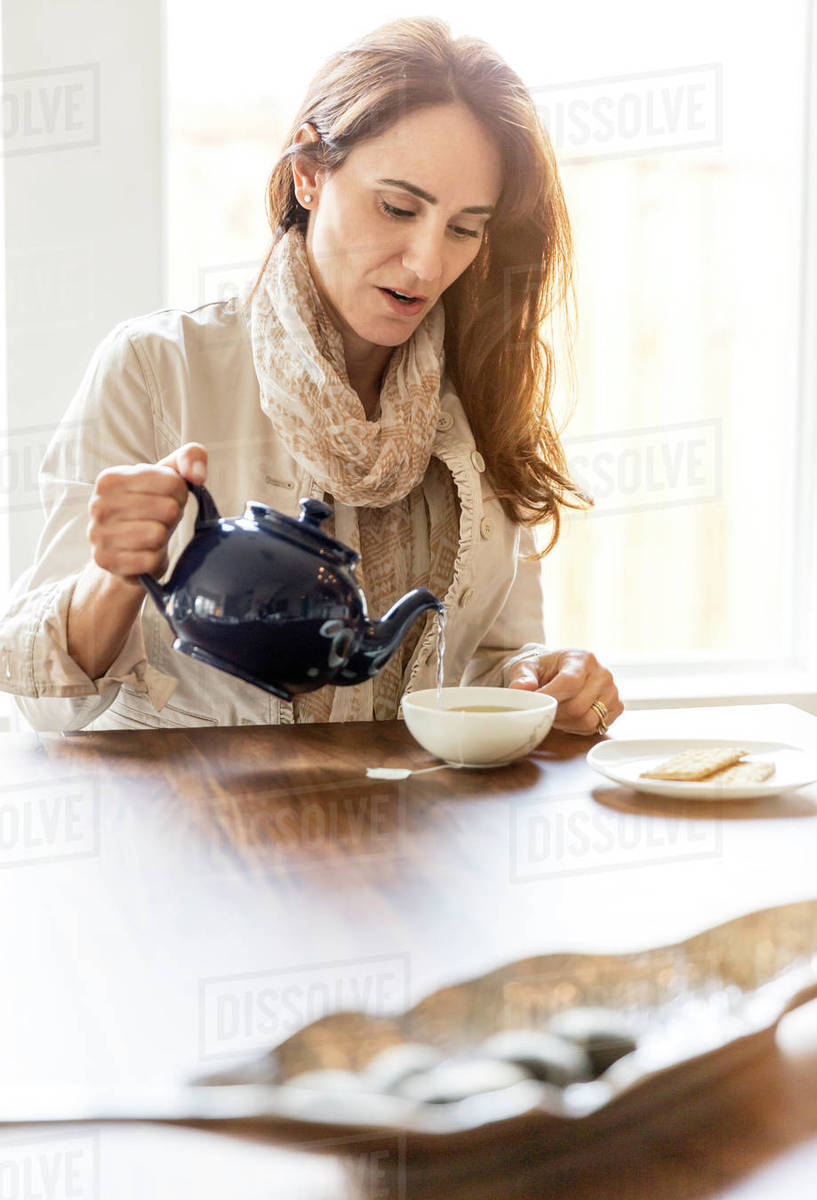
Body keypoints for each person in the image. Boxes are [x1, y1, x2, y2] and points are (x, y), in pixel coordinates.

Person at [0, 16, 622, 735]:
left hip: (412, 835)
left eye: (462, 227)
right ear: (308, 174)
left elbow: (489, 661)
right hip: (190, 830)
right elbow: (43, 705)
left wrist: (553, 682)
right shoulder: (158, 367)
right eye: (396, 207)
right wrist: (112, 574)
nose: (426, 263)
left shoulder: (482, 388)